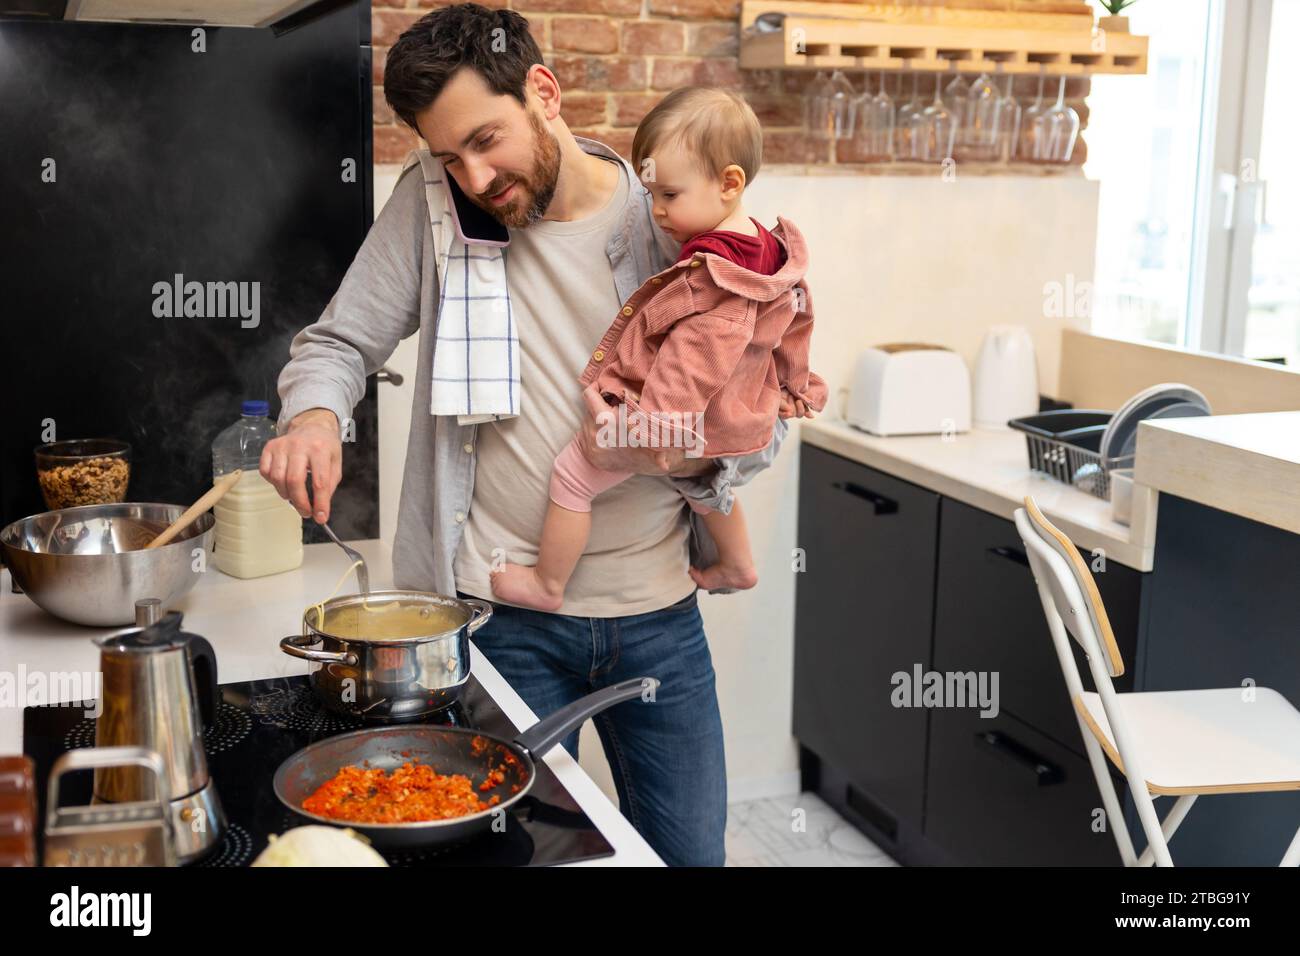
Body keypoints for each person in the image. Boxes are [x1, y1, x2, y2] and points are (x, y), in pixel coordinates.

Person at [259, 4, 789, 867]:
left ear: (543, 91)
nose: (473, 176)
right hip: (501, 623)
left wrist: (679, 447)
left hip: (657, 615)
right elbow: (339, 343)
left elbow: (758, 420)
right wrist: (315, 415)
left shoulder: (670, 219)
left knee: (691, 858)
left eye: (486, 140)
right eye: (449, 157)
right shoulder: (433, 205)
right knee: (514, 859)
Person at [489, 86, 827, 613]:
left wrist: (652, 429)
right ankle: (737, 563)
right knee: (704, 482)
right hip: (731, 414)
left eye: (669, 194)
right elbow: (797, 319)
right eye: (650, 194)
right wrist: (793, 382)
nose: (658, 211)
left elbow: (691, 362)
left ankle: (546, 584)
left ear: (729, 183)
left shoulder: (713, 277)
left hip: (678, 419)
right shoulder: (768, 251)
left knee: (573, 476)